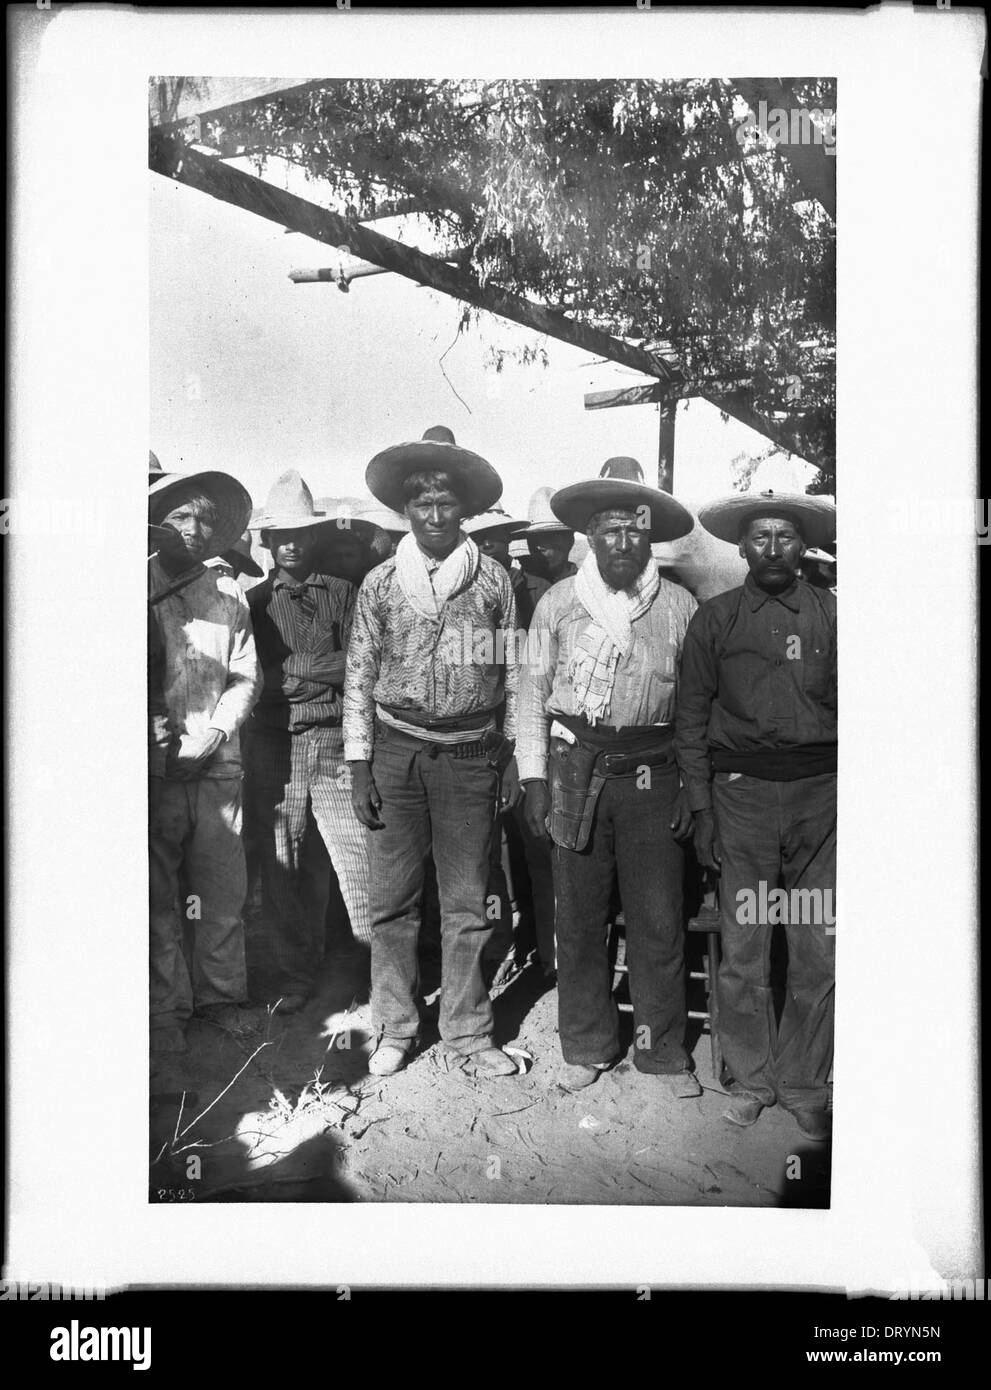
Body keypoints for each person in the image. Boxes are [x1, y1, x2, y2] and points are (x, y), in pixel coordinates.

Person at [344, 426, 521, 1078]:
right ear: (406, 510)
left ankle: (469, 1034)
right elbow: (358, 676)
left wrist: (511, 758)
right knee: (391, 901)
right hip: (397, 753)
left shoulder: (495, 583)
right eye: (423, 503)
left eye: (447, 502)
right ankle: (394, 1026)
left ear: (465, 509)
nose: (436, 515)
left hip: (471, 756)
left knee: (468, 904)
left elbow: (517, 677)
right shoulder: (382, 584)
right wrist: (360, 764)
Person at [517, 471, 701, 1094]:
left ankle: (662, 1051)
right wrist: (534, 779)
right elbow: (530, 697)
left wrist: (692, 789)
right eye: (609, 532)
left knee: (657, 917)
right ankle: (589, 1046)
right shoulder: (559, 604)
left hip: (656, 770)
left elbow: (699, 707)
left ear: (651, 541)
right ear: (588, 538)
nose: (623, 543)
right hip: (577, 769)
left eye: (634, 532)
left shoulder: (679, 606)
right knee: (580, 917)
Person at [675, 488, 837, 1141]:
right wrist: (701, 807)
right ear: (741, 547)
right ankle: (749, 1079)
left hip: (820, 804)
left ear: (804, 546)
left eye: (785, 537)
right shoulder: (714, 621)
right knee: (744, 948)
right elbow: (689, 719)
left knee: (812, 946)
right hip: (739, 801)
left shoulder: (833, 616)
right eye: (760, 538)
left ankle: (803, 1080)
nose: (773, 549)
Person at [244, 471, 372, 1013]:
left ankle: (377, 975)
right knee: (284, 859)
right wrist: (307, 676)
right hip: (275, 744)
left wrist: (296, 670)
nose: (291, 542)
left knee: (359, 856)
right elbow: (249, 677)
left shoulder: (346, 594)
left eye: (300, 531)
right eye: (280, 534)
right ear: (267, 543)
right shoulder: (250, 602)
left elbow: (365, 663)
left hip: (337, 740)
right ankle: (296, 976)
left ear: (315, 536)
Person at [148, 467, 262, 1053]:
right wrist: (160, 742)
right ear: (156, 521)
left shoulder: (227, 596)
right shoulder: (135, 589)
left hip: (218, 767)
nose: (194, 529)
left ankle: (221, 1000)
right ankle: (167, 1009)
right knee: (159, 897)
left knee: (220, 894)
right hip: (156, 771)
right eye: (180, 516)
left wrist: (216, 734)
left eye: (205, 519)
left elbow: (245, 675)